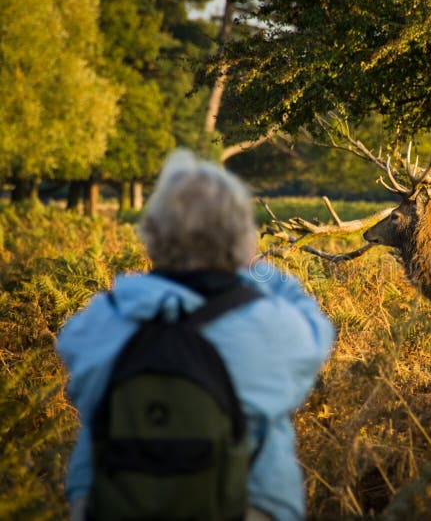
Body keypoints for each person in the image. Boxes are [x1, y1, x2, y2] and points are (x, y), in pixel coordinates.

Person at [56, 149, 335, 521]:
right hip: (246, 507)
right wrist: (256, 270)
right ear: (242, 238)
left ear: (151, 237)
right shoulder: (273, 328)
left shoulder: (105, 317)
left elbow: (71, 353)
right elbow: (318, 332)